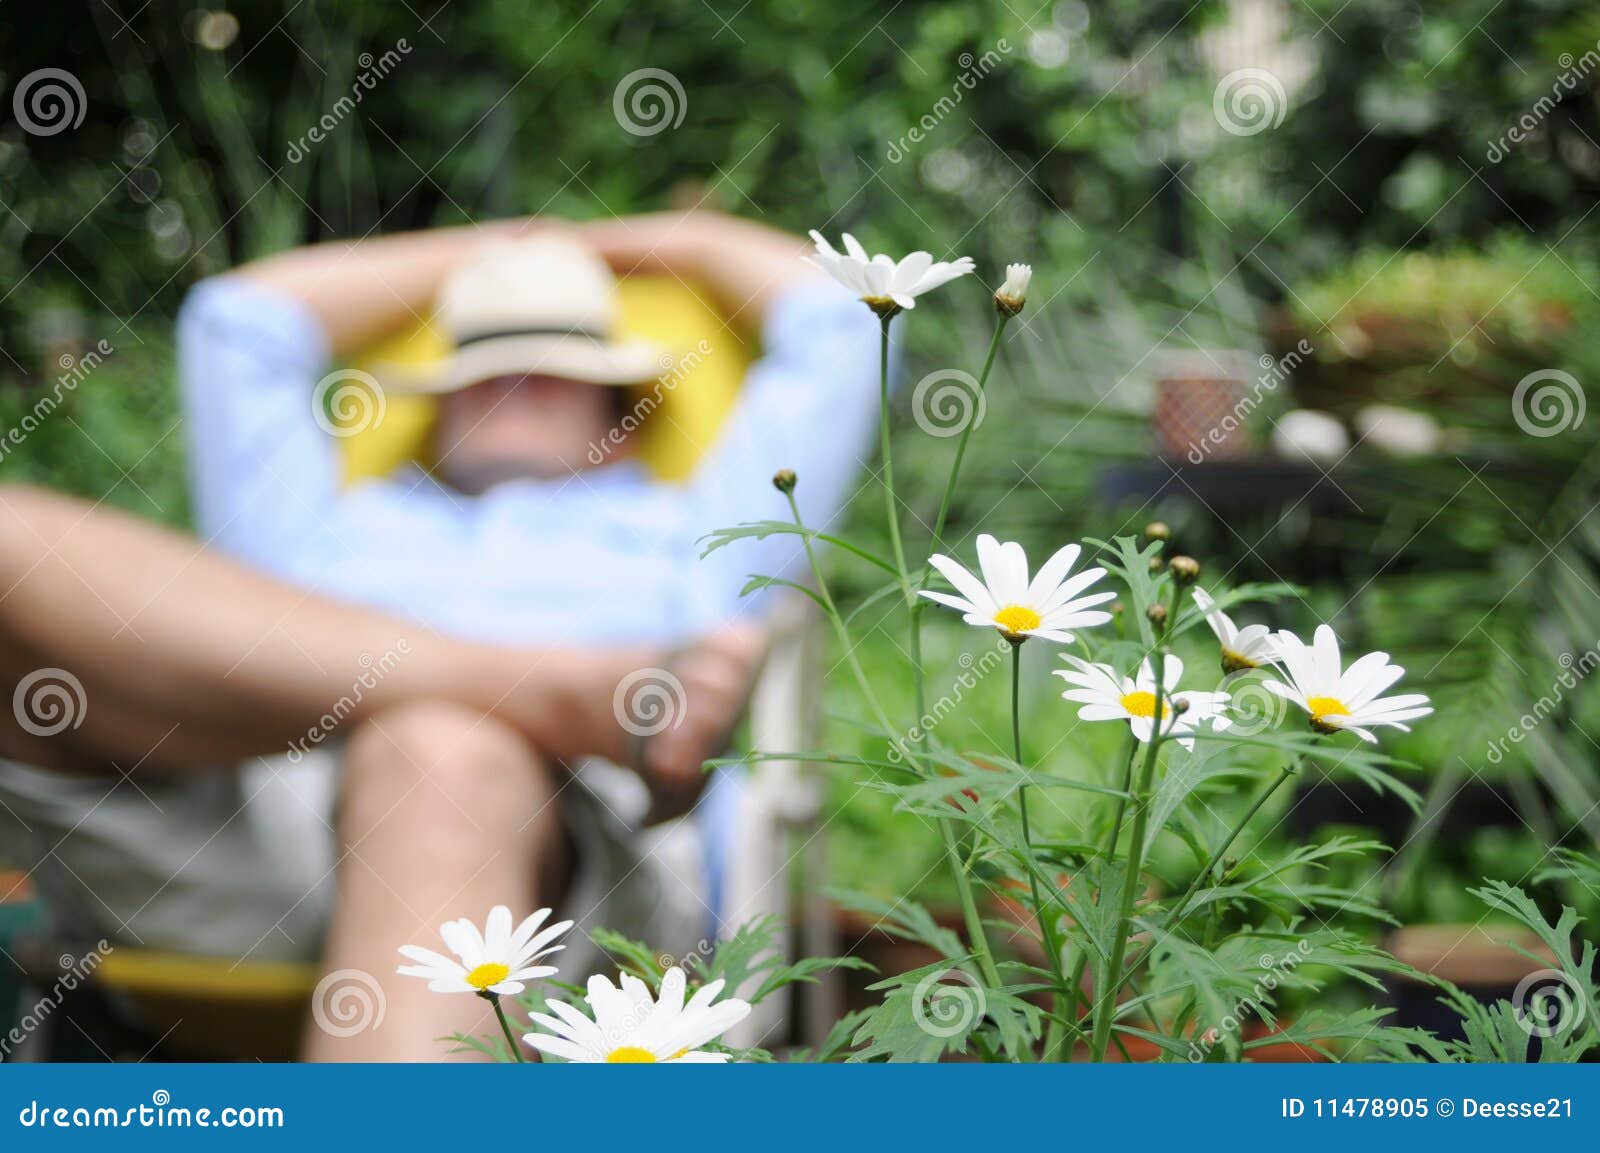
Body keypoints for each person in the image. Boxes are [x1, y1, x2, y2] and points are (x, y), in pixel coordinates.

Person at [0, 210, 884, 1060]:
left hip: (566, 868)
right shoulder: (324, 523)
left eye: (552, 366)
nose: (512, 380)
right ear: (438, 400)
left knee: (438, 748)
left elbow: (842, 316)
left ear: (622, 420)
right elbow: (240, 319)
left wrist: (618, 244)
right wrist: (506, 250)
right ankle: (556, 693)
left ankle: (507, 707)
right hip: (253, 832)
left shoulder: (696, 531)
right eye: (483, 365)